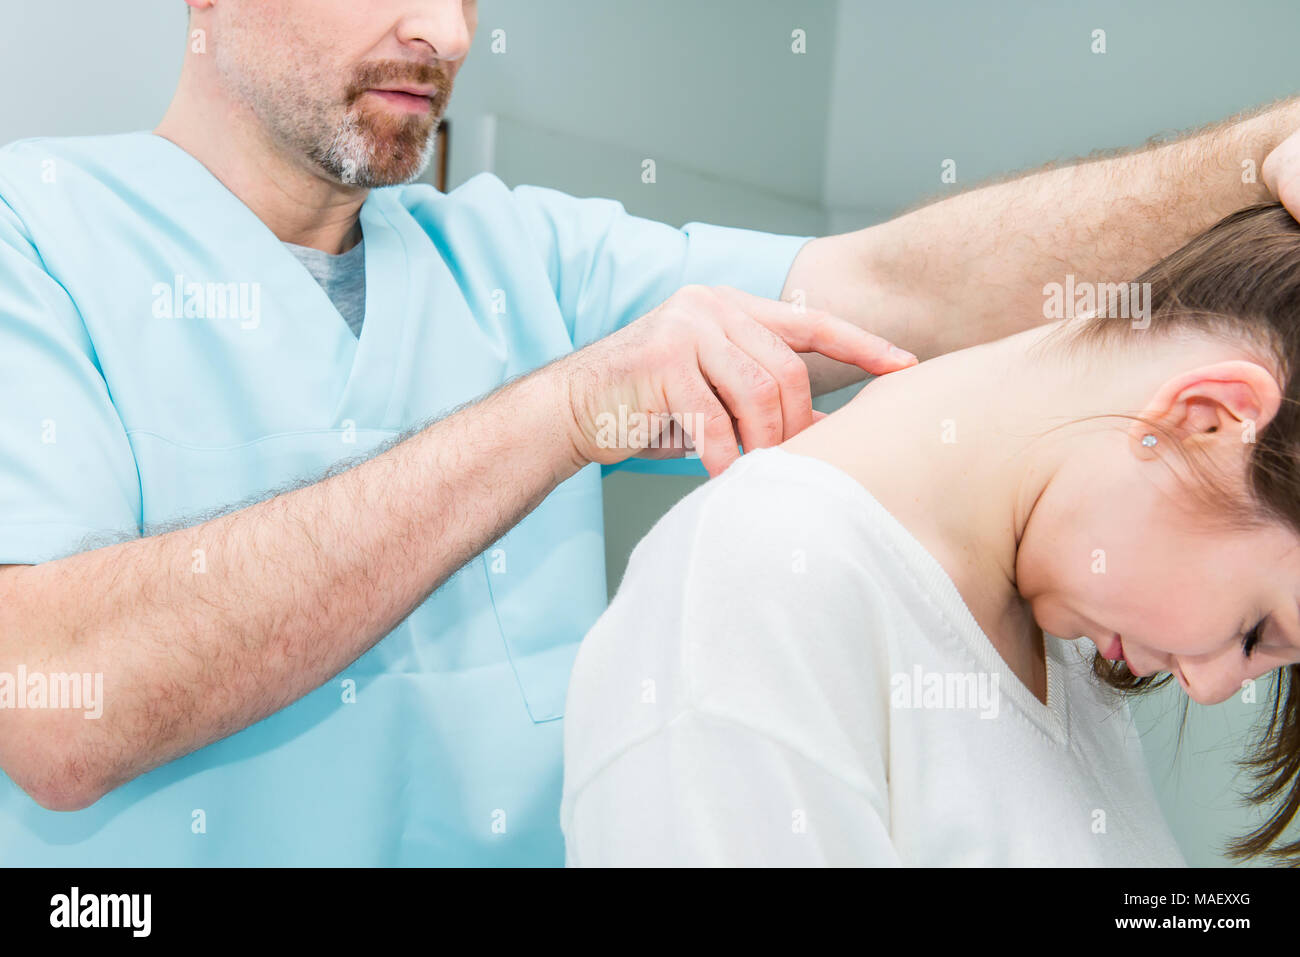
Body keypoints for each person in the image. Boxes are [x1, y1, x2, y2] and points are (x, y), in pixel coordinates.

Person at [2, 0, 1300, 866]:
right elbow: (57, 712)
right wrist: (559, 415)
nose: (444, 31)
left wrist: (1259, 157)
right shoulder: (36, 236)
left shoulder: (515, 257)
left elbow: (899, 292)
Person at [561, 202, 1300, 867]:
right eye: (1253, 630)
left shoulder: (1069, 634)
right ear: (1209, 422)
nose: (1211, 687)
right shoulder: (760, 585)